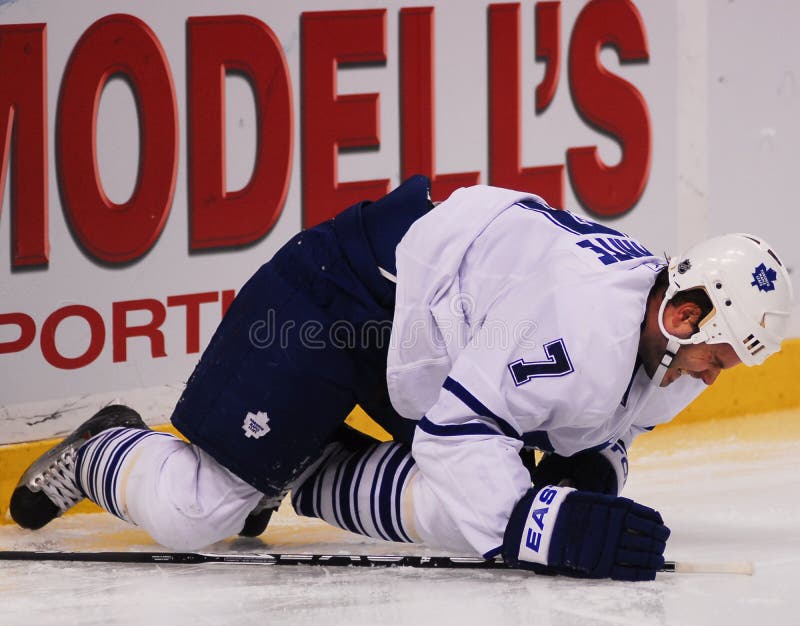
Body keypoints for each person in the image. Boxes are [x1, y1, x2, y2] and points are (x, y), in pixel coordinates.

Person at [9, 176, 793, 581]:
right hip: (341, 293)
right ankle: (109, 444)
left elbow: (610, 426)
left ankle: (299, 464)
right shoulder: (584, 320)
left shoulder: (670, 330)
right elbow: (456, 436)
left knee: (473, 516)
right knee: (195, 513)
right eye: (718, 358)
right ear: (687, 315)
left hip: (428, 334)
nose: (715, 377)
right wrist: (549, 525)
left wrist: (587, 476)